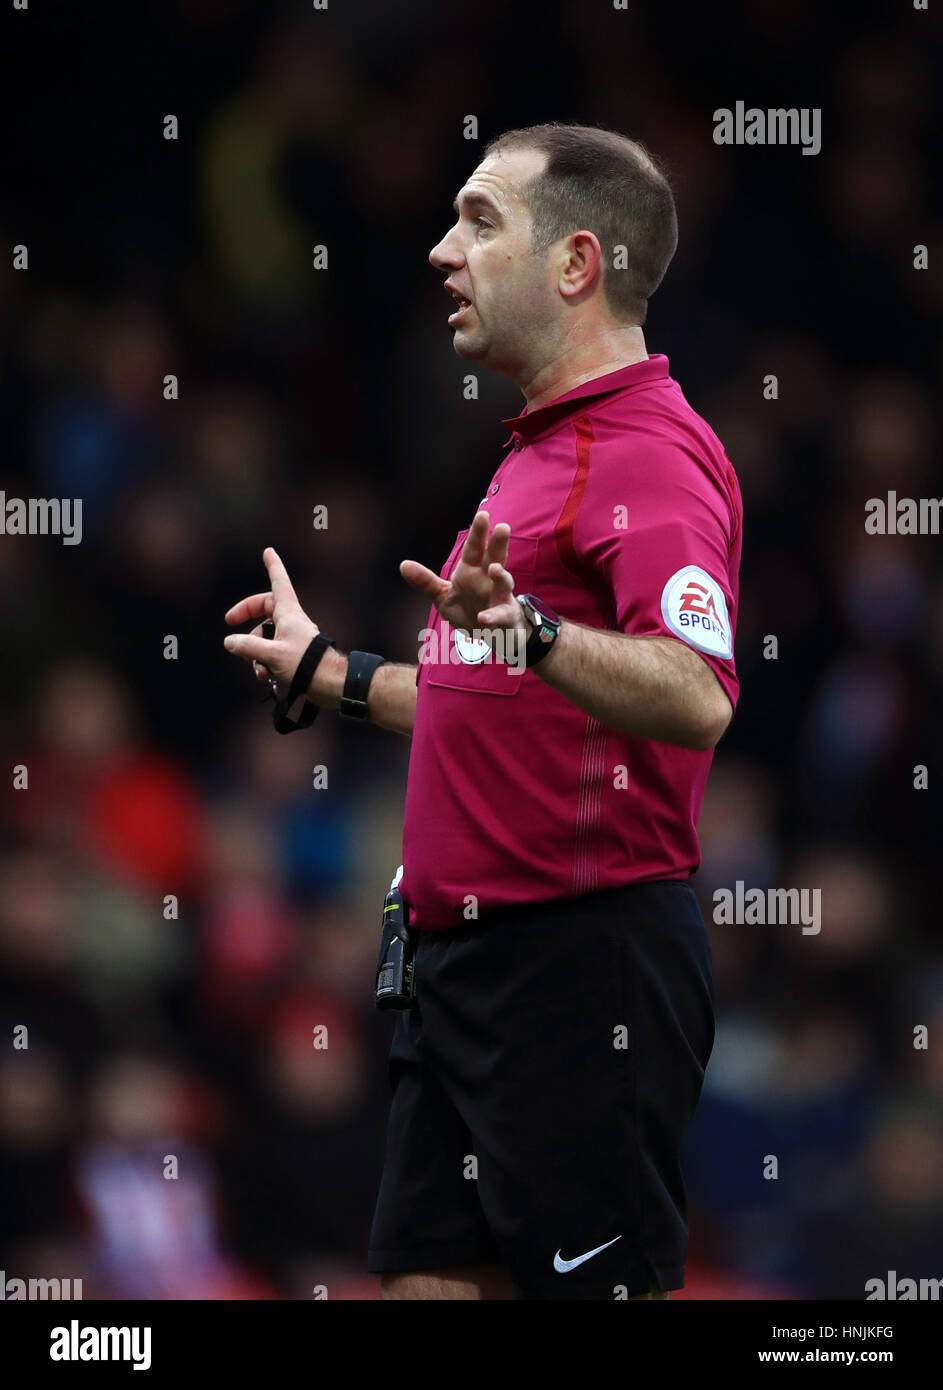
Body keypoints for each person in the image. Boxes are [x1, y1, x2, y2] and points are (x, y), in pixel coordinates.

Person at [224, 123, 742, 1301]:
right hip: (457, 970)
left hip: (579, 971)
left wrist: (539, 633)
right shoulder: (534, 453)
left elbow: (697, 693)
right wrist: (337, 674)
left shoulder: (645, 454)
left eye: (478, 220)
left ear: (574, 264)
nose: (440, 251)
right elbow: (496, 698)